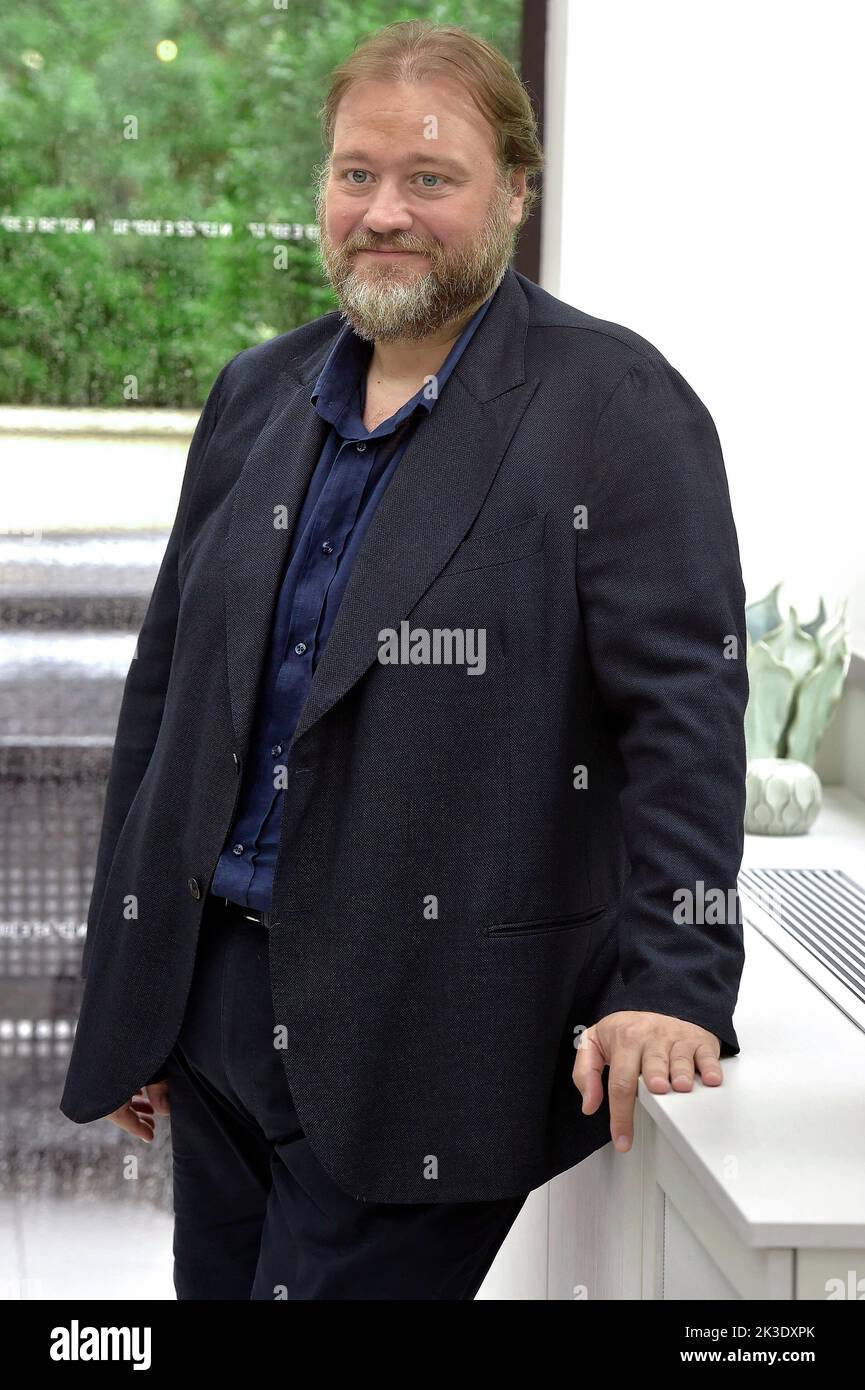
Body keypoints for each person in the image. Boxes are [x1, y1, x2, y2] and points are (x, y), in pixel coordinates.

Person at [59, 20, 749, 1301]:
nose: (384, 211)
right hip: (213, 1016)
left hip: (431, 1034)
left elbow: (683, 716)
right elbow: (168, 704)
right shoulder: (256, 394)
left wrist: (678, 981)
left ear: (515, 192)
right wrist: (135, 987)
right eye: (354, 173)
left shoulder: (616, 407)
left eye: (430, 179)